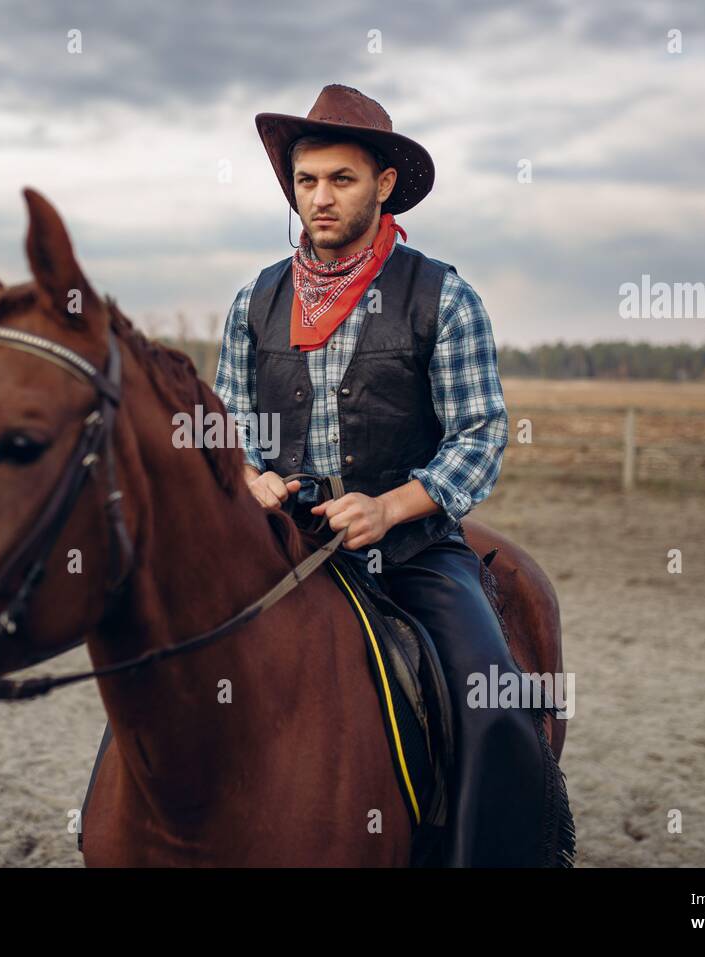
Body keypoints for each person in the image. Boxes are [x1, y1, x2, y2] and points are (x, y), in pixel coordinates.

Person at [212, 83, 551, 866]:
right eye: (306, 182)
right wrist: (248, 477)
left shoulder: (444, 296)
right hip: (280, 545)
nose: (320, 199)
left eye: (341, 179)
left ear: (384, 184)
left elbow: (479, 434)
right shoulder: (254, 300)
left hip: (411, 550)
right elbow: (229, 428)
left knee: (491, 696)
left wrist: (391, 507)